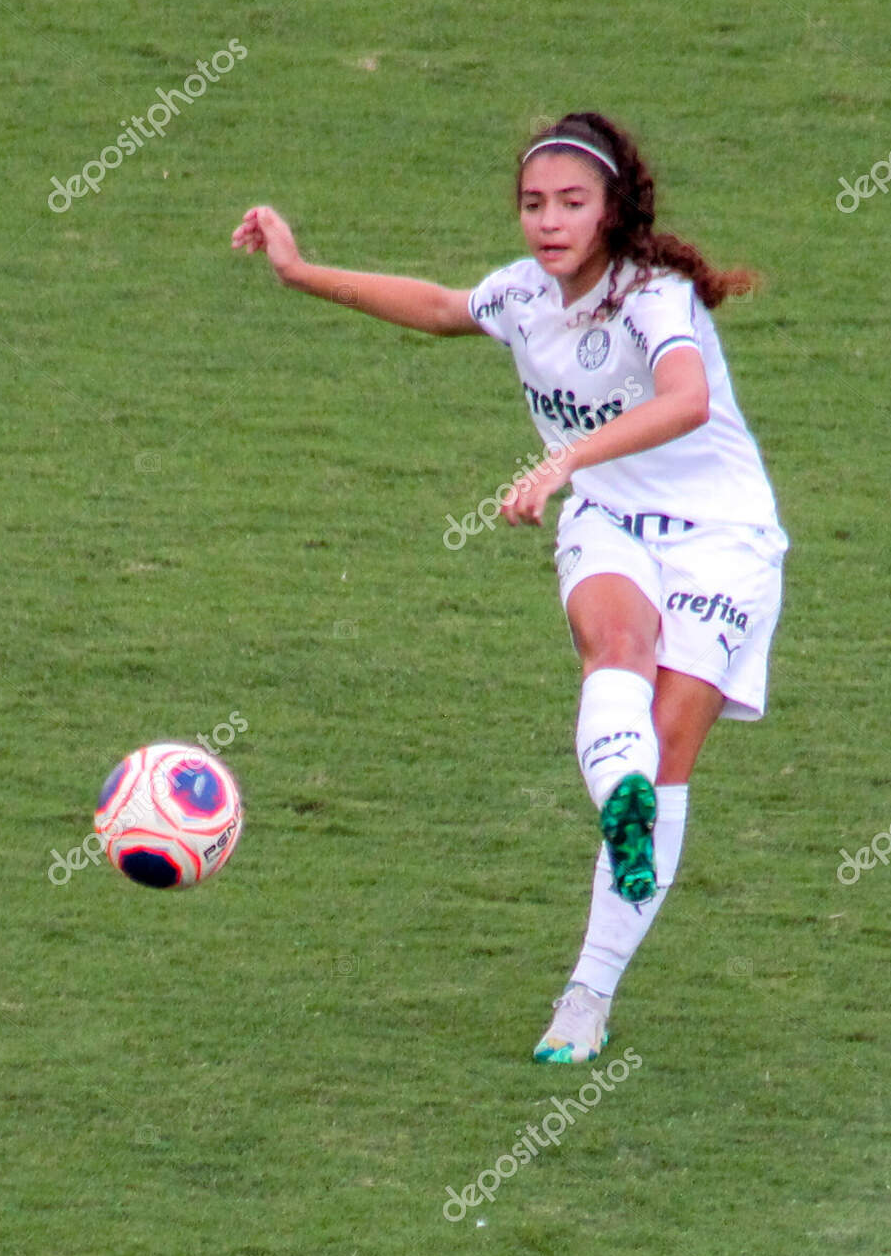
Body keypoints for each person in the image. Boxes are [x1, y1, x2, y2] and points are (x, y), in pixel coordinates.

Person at [231, 110, 787, 1064]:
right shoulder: (524, 296)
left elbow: (686, 399)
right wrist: (299, 270)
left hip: (723, 540)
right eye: (533, 203)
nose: (548, 221)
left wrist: (567, 456)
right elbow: (444, 307)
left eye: (572, 202)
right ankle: (626, 805)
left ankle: (589, 992)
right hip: (608, 518)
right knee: (616, 650)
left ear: (613, 210)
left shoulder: (651, 298)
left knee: (664, 746)